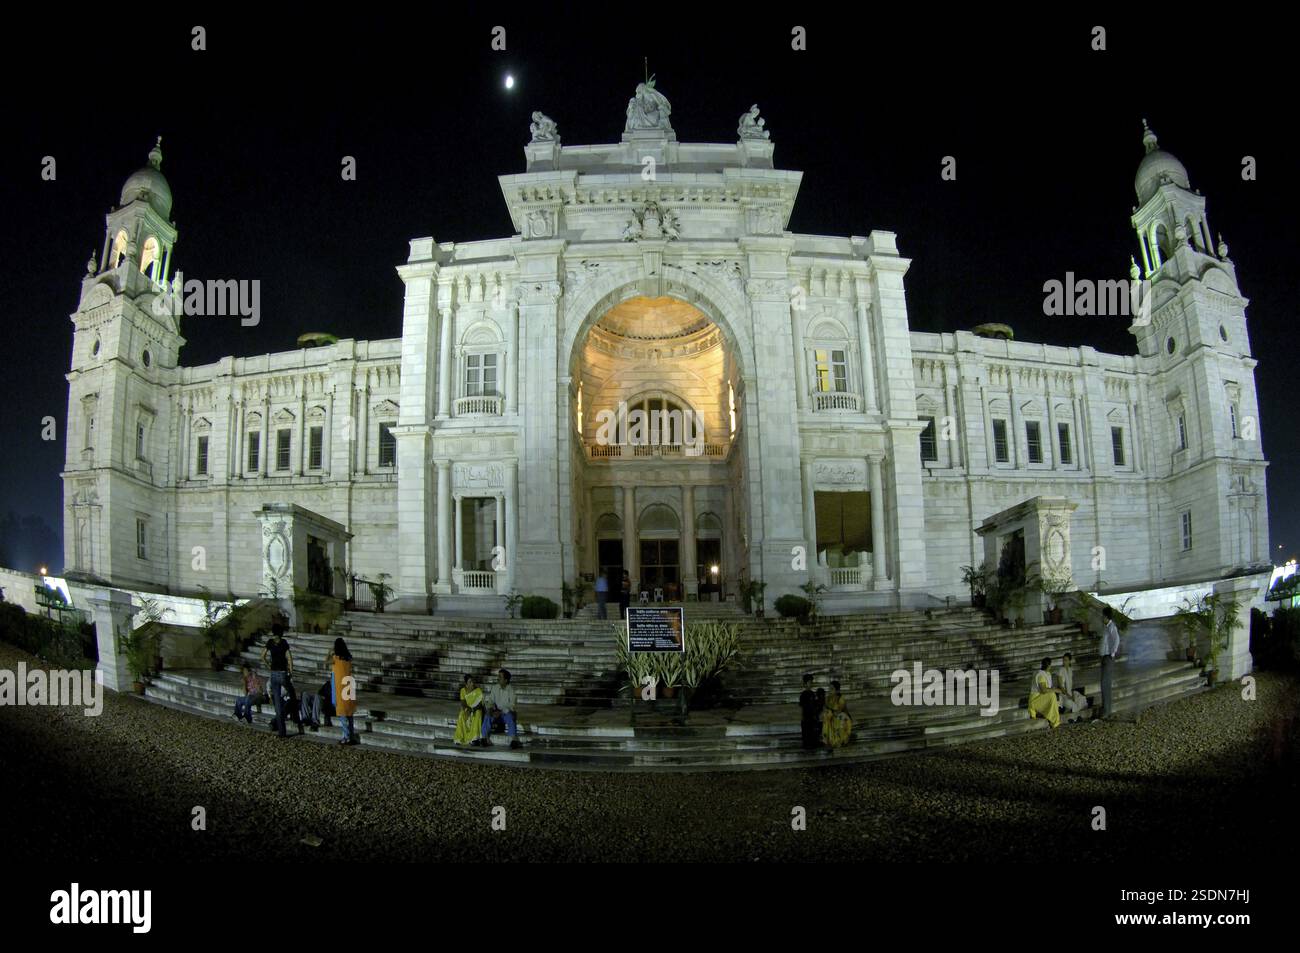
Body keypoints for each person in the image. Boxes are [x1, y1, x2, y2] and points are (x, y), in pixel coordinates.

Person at [260, 621, 303, 738]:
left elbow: (262, 656)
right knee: (292, 694)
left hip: (273, 674)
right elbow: (289, 658)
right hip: (283, 673)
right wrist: (291, 672)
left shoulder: (270, 642)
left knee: (277, 704)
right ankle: (298, 724)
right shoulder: (283, 643)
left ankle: (282, 732)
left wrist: (269, 666)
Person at [324, 637, 359, 745]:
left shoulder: (335, 658)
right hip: (349, 684)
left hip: (340, 686)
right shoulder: (348, 658)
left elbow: (326, 662)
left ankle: (346, 736)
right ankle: (351, 735)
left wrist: (329, 652)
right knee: (349, 712)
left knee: (342, 712)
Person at [477, 668, 521, 749]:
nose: (498, 678)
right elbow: (490, 701)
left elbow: (512, 705)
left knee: (510, 715)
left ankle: (514, 739)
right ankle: (484, 738)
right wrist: (490, 709)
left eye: (500, 677)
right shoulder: (495, 688)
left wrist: (501, 712)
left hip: (505, 714)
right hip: (495, 713)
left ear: (506, 680)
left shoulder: (511, 690)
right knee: (487, 715)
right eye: (498, 676)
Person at [1027, 656, 1062, 729]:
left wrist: (1054, 690)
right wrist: (1056, 690)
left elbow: (1048, 688)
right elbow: (1043, 690)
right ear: (1049, 665)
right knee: (1052, 695)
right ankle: (1054, 721)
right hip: (1035, 700)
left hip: (1041, 698)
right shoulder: (1040, 675)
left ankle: (1053, 720)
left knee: (1053, 695)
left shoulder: (1047, 674)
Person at [1099, 606, 1121, 719]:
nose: (1101, 617)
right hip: (1104, 656)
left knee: (1105, 683)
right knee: (1104, 684)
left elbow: (1116, 640)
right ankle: (1105, 708)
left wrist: (1112, 654)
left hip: (1108, 657)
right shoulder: (1106, 627)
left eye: (1103, 616)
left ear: (1106, 616)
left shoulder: (1112, 627)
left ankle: (1106, 710)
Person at [1056, 652, 1090, 721]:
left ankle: (1073, 712)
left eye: (1066, 660)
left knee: (1082, 699)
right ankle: (1072, 714)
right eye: (1063, 660)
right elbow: (1060, 686)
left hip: (1070, 692)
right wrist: (1068, 695)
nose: (1064, 662)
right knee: (1070, 703)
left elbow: (1071, 685)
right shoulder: (1060, 670)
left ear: (1069, 661)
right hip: (1063, 694)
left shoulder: (1071, 670)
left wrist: (1072, 695)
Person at [821, 680, 853, 748]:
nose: (830, 690)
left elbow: (839, 711)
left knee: (837, 718)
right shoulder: (828, 698)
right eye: (829, 688)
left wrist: (830, 711)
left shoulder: (841, 698)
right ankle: (827, 740)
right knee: (826, 715)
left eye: (832, 689)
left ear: (837, 690)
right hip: (832, 717)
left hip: (840, 717)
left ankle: (837, 741)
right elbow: (825, 707)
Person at [455, 675, 484, 746]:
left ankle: (474, 739)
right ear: (466, 684)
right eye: (470, 682)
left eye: (473, 682)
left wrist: (473, 709)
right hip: (468, 709)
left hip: (476, 709)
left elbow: (480, 704)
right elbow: (463, 703)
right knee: (462, 713)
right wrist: (468, 709)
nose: (472, 683)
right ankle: (460, 738)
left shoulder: (478, 690)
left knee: (478, 713)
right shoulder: (463, 690)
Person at [798, 674, 823, 750]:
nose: (810, 684)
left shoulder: (812, 693)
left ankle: (813, 743)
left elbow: (816, 705)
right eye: (809, 682)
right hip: (807, 716)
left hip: (812, 716)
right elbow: (803, 706)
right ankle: (807, 743)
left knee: (813, 730)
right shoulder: (803, 695)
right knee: (807, 731)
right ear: (805, 684)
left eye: (811, 682)